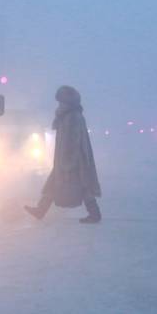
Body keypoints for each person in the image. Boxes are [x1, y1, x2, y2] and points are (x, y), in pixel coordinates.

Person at [25, 85, 102, 224]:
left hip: (73, 160)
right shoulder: (68, 116)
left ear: (67, 103)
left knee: (82, 186)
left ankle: (94, 214)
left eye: (61, 102)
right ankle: (41, 210)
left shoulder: (72, 117)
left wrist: (67, 162)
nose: (59, 105)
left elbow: (72, 141)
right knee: (57, 183)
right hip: (68, 160)